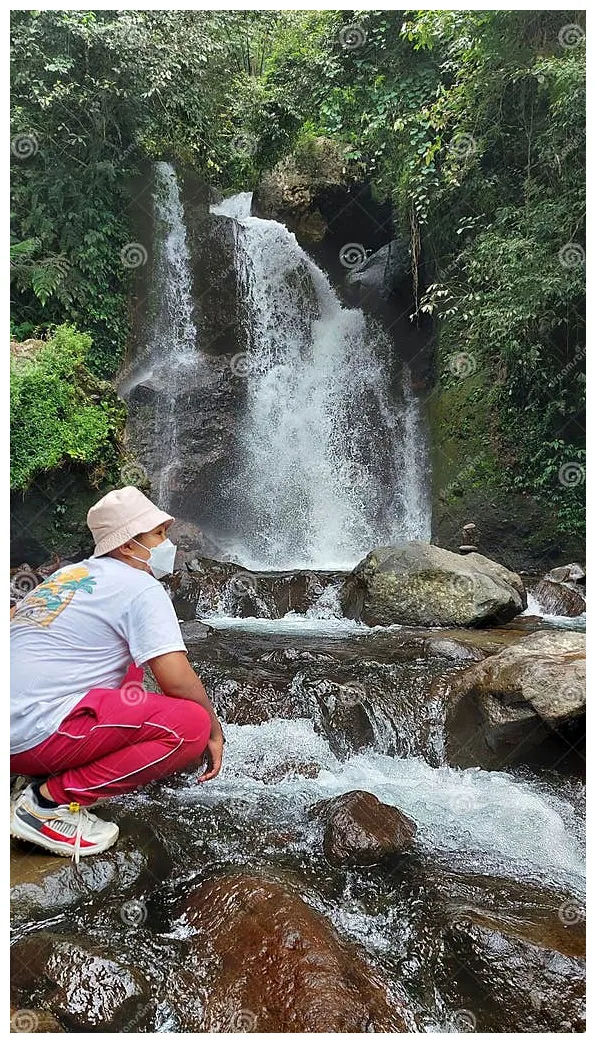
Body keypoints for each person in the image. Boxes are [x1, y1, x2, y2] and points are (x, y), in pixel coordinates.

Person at [10, 485, 225, 862]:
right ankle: (46, 804)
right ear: (127, 545)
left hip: (16, 731)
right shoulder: (140, 587)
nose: (167, 542)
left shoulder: (65, 579)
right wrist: (213, 728)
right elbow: (175, 678)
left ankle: (33, 778)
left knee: (130, 674)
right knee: (189, 726)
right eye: (158, 534)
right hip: (30, 734)